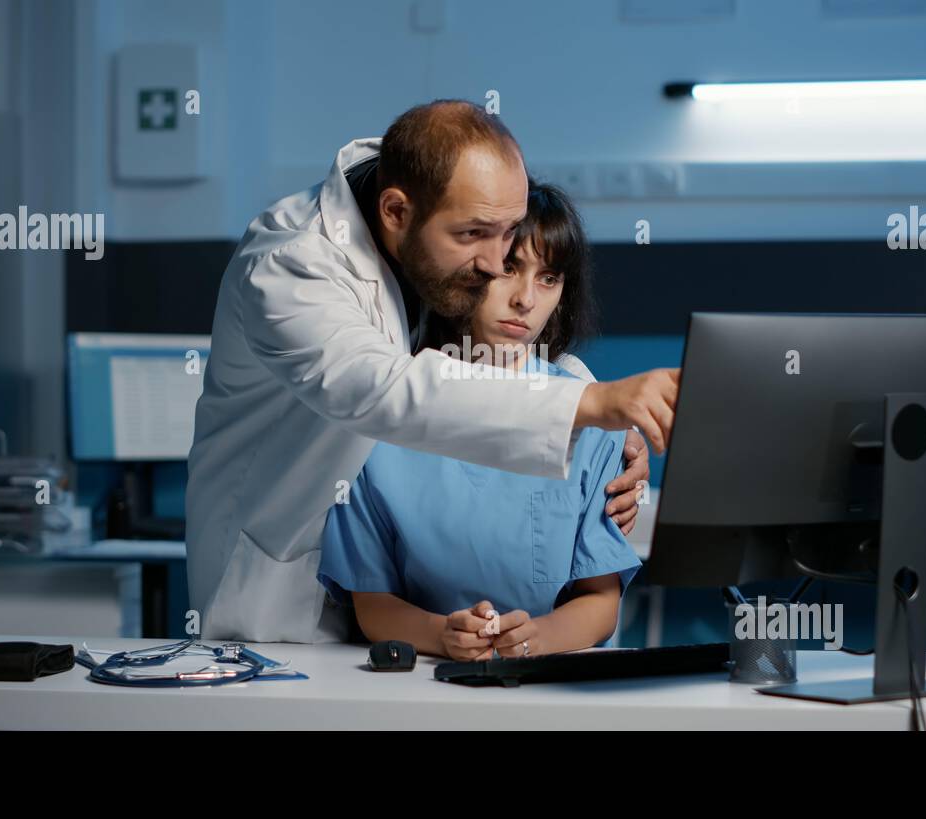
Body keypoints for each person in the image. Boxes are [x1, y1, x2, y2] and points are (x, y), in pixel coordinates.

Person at [186, 100, 677, 643]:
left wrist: (596, 413)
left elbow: (495, 351)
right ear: (395, 212)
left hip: (372, 628)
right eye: (475, 236)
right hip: (273, 592)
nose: (495, 264)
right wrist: (591, 405)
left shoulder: (435, 197)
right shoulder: (289, 266)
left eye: (509, 232)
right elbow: (386, 390)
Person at [318, 182, 641, 659]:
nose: (526, 299)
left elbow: (600, 601)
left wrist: (533, 640)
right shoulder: (383, 416)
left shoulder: (591, 425)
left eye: (549, 278)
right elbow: (373, 603)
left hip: (548, 684)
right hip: (420, 681)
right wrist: (442, 635)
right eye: (510, 268)